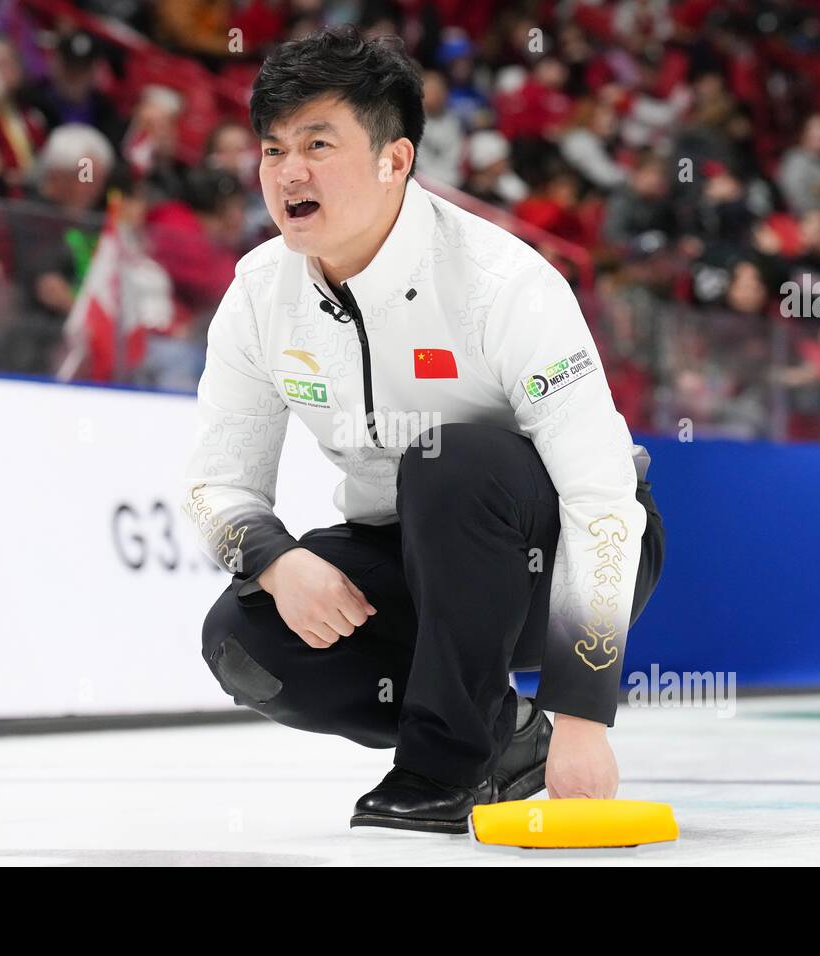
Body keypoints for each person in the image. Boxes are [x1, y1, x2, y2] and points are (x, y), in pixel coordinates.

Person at [182, 27, 665, 834]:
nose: (289, 172)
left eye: (318, 143)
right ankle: (505, 740)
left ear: (394, 160)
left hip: (557, 549)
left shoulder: (503, 283)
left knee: (450, 456)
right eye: (272, 150)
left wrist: (582, 711)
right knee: (245, 640)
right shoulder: (260, 294)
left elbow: (601, 494)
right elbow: (214, 483)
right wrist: (274, 560)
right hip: (408, 553)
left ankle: (445, 764)